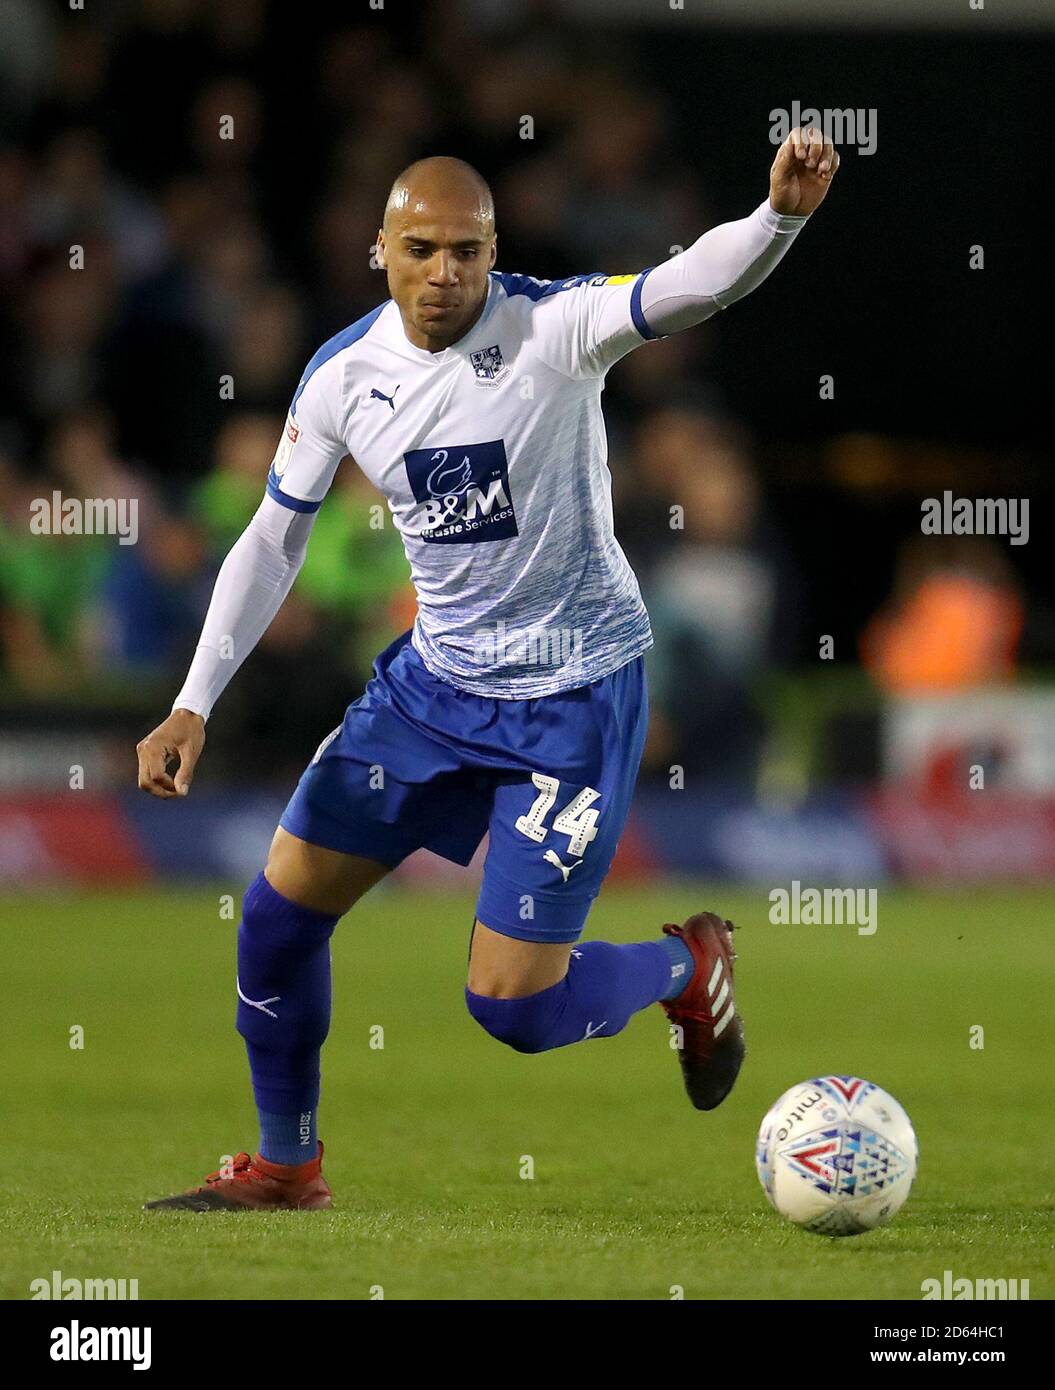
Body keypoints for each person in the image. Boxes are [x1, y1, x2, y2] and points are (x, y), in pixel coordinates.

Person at [137, 130, 839, 1210]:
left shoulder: (554, 329)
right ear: (380, 248)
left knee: (513, 1007)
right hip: (429, 693)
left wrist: (777, 217)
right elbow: (273, 539)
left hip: (570, 696)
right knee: (275, 922)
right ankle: (286, 1165)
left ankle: (685, 968)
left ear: (492, 249)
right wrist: (192, 702)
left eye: (466, 250)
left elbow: (689, 284)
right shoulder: (342, 376)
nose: (444, 272)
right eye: (420, 248)